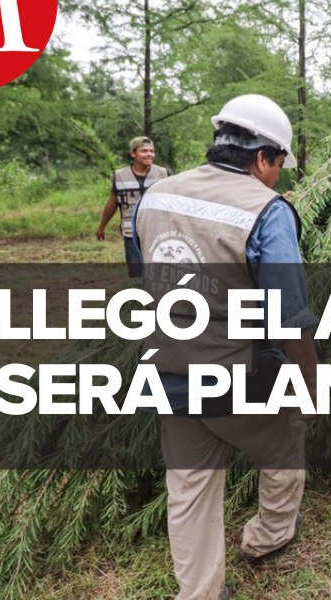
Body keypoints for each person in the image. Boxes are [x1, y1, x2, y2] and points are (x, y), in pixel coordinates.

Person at [132, 95, 318, 600]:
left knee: (189, 488)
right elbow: (290, 318)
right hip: (238, 376)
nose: (278, 177)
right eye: (279, 165)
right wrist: (310, 389)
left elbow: (143, 274)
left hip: (167, 372)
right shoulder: (266, 211)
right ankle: (266, 538)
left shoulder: (158, 195)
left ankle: (199, 593)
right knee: (283, 444)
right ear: (262, 157)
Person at [97, 136, 170, 277]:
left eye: (152, 151)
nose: (149, 154)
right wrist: (102, 227)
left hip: (157, 230)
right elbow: (113, 202)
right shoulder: (120, 175)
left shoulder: (163, 173)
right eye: (144, 151)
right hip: (131, 232)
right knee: (136, 271)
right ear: (133, 153)